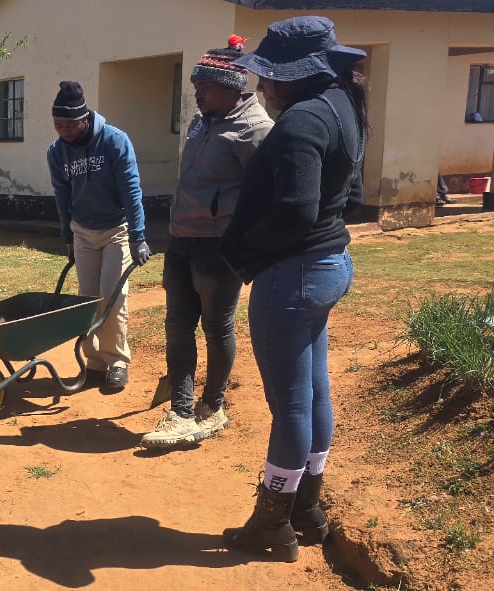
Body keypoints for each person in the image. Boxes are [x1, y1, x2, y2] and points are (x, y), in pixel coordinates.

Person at [218, 16, 367, 562]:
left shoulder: (302, 121)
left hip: (293, 273)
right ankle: (306, 507)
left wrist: (245, 253)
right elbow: (349, 194)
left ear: (292, 76)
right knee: (314, 393)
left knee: (290, 406)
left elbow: (296, 209)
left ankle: (271, 523)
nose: (261, 87)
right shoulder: (343, 107)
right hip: (330, 263)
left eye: (267, 77)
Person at [141, 36, 274, 449]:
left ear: (233, 87)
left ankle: (212, 408)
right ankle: (181, 412)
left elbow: (265, 196)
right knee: (178, 325)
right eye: (195, 85)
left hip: (218, 248)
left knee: (216, 327)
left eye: (204, 86)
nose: (196, 93)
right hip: (182, 240)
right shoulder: (202, 122)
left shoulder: (256, 131)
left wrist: (243, 243)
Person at [47, 81, 152, 393]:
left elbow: (131, 189)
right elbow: (61, 195)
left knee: (113, 297)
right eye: (57, 125)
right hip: (82, 231)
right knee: (87, 298)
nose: (63, 130)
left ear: (84, 119)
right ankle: (93, 362)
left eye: (68, 125)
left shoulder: (114, 141)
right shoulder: (57, 152)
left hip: (116, 230)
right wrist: (67, 235)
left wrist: (138, 235)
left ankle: (117, 362)